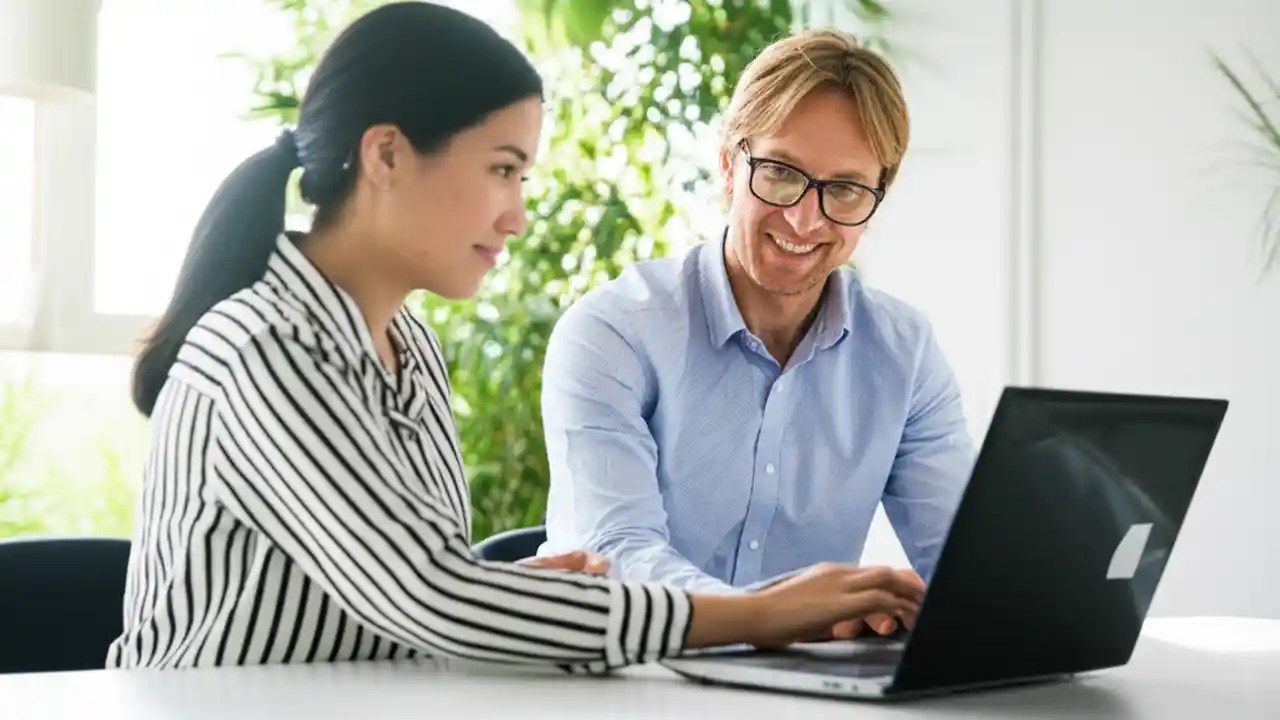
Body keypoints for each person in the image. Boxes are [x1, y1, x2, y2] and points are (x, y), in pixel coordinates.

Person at [106, 3, 924, 671]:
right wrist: (761, 613)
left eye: (523, 176)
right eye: (502, 169)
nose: (517, 215)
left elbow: (402, 596)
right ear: (387, 154)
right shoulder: (267, 349)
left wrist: (519, 600)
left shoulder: (405, 348)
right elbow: (428, 597)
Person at [539, 27, 975, 637]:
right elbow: (616, 555)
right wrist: (783, 617)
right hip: (639, 684)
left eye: (844, 190)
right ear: (727, 163)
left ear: (877, 195)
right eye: (779, 172)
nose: (803, 218)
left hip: (807, 692)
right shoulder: (613, 333)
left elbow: (968, 569)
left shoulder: (905, 353)